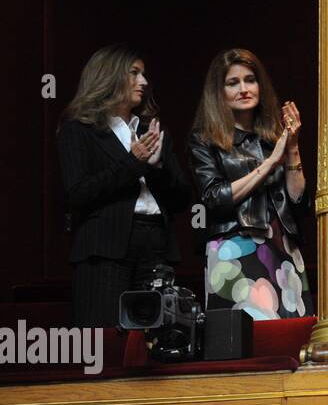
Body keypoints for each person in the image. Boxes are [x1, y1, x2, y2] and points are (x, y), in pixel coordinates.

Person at [57, 45, 191, 328]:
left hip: (156, 246)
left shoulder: (150, 130)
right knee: (105, 342)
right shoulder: (78, 129)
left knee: (156, 341)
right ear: (108, 76)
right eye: (134, 73)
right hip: (105, 250)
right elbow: (77, 193)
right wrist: (134, 163)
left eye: (144, 74)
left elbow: (181, 199)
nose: (143, 82)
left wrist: (155, 168)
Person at [188, 49, 313, 320]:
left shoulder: (274, 137)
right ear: (218, 92)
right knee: (246, 341)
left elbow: (299, 204)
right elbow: (213, 198)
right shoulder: (205, 139)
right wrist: (268, 165)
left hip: (283, 248)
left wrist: (291, 148)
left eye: (250, 80)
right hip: (235, 248)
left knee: (290, 337)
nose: (244, 89)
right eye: (233, 83)